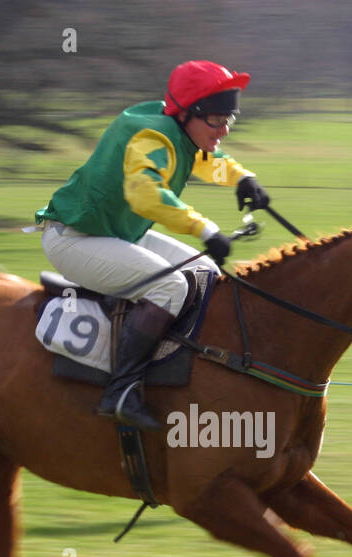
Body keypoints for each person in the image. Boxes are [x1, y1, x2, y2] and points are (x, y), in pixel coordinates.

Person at [35, 60, 270, 430]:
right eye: (216, 120)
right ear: (189, 114)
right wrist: (205, 230)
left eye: (229, 120)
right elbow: (146, 197)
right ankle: (121, 391)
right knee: (170, 286)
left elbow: (208, 159)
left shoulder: (179, 130)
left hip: (116, 233)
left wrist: (244, 179)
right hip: (74, 239)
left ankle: (175, 366)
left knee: (206, 272)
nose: (223, 130)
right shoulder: (152, 137)